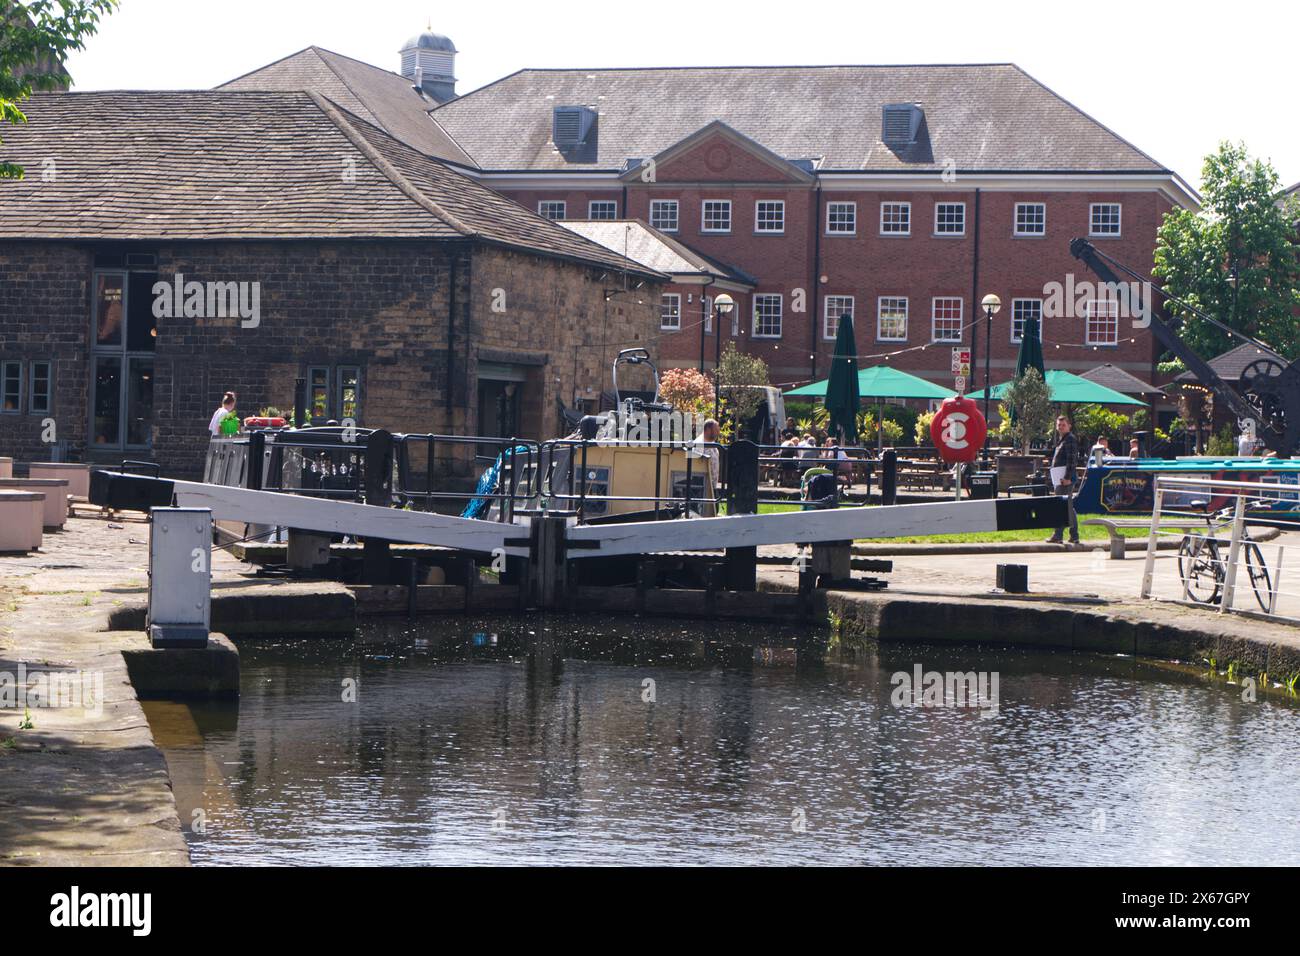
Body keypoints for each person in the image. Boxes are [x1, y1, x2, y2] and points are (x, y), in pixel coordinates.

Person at [1046, 415, 1079, 545]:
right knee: (1068, 506)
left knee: (1062, 505)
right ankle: (1074, 535)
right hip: (1060, 477)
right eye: (1059, 425)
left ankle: (1058, 535)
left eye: (1063, 425)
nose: (1060, 427)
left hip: (1064, 478)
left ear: (1069, 426)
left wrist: (1067, 478)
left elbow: (1072, 461)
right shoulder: (1063, 439)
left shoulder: (1070, 439)